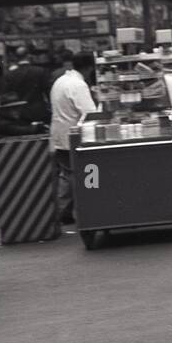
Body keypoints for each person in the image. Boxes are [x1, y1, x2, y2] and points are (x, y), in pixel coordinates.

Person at [49, 52, 99, 224]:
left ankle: (63, 212)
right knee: (87, 173)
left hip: (60, 135)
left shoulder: (61, 80)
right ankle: (89, 208)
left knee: (67, 174)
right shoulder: (78, 85)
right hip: (74, 137)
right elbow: (90, 113)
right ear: (89, 68)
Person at [3, 45, 49, 126]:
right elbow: (47, 91)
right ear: (29, 56)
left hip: (19, 113)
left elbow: (6, 95)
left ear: (16, 58)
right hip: (38, 111)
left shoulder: (10, 75)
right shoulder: (40, 71)